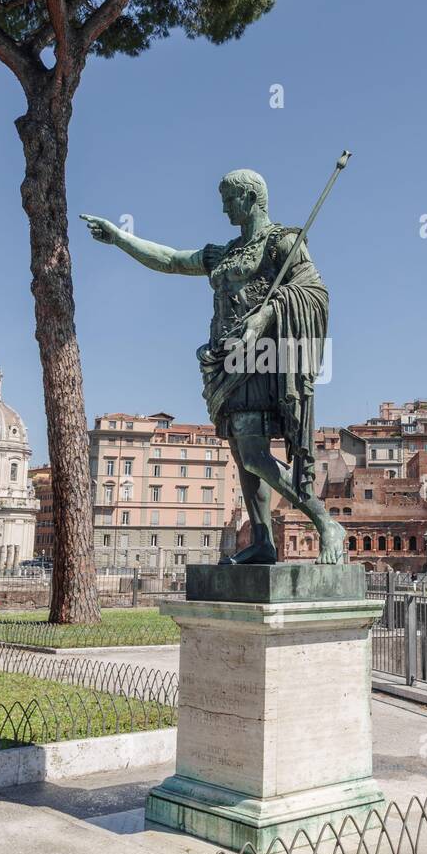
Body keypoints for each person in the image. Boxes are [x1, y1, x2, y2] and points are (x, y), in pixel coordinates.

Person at [82, 169, 346, 564]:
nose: (223, 207)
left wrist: (266, 316)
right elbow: (170, 260)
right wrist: (120, 239)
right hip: (226, 358)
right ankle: (262, 541)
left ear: (251, 198)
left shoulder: (282, 242)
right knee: (242, 454)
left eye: (229, 199)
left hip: (261, 358)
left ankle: (326, 523)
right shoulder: (223, 253)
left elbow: (314, 292)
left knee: (254, 451)